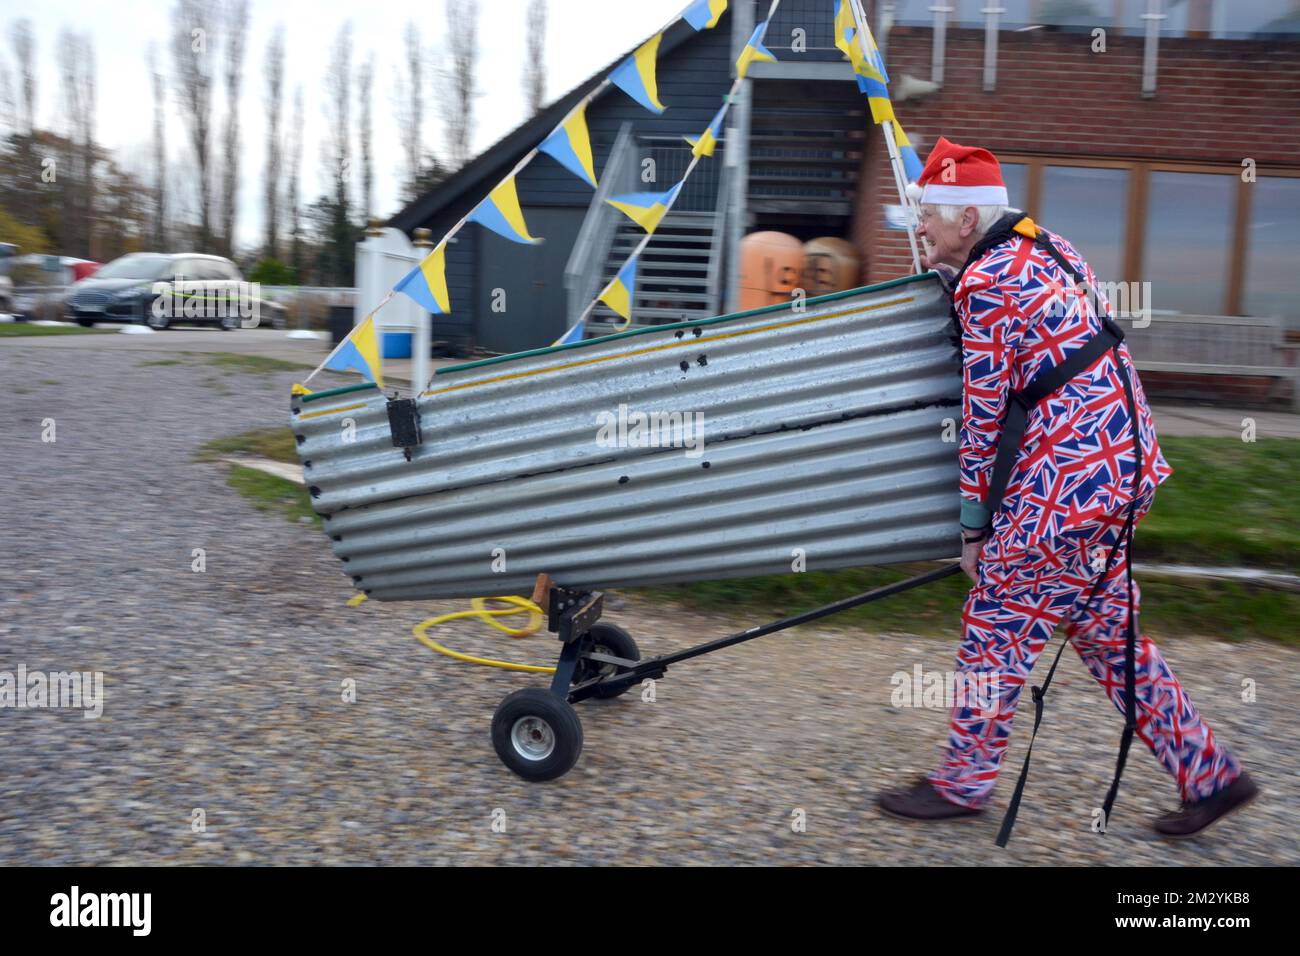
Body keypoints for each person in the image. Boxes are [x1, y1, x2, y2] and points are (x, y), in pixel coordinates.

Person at [877, 137, 1257, 839]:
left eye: (926, 214)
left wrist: (972, 529)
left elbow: (984, 413)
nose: (918, 228)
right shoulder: (1051, 246)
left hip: (1071, 480)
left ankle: (962, 784)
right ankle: (1212, 777)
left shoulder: (984, 283)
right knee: (1110, 636)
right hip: (1127, 462)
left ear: (967, 221)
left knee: (995, 622)